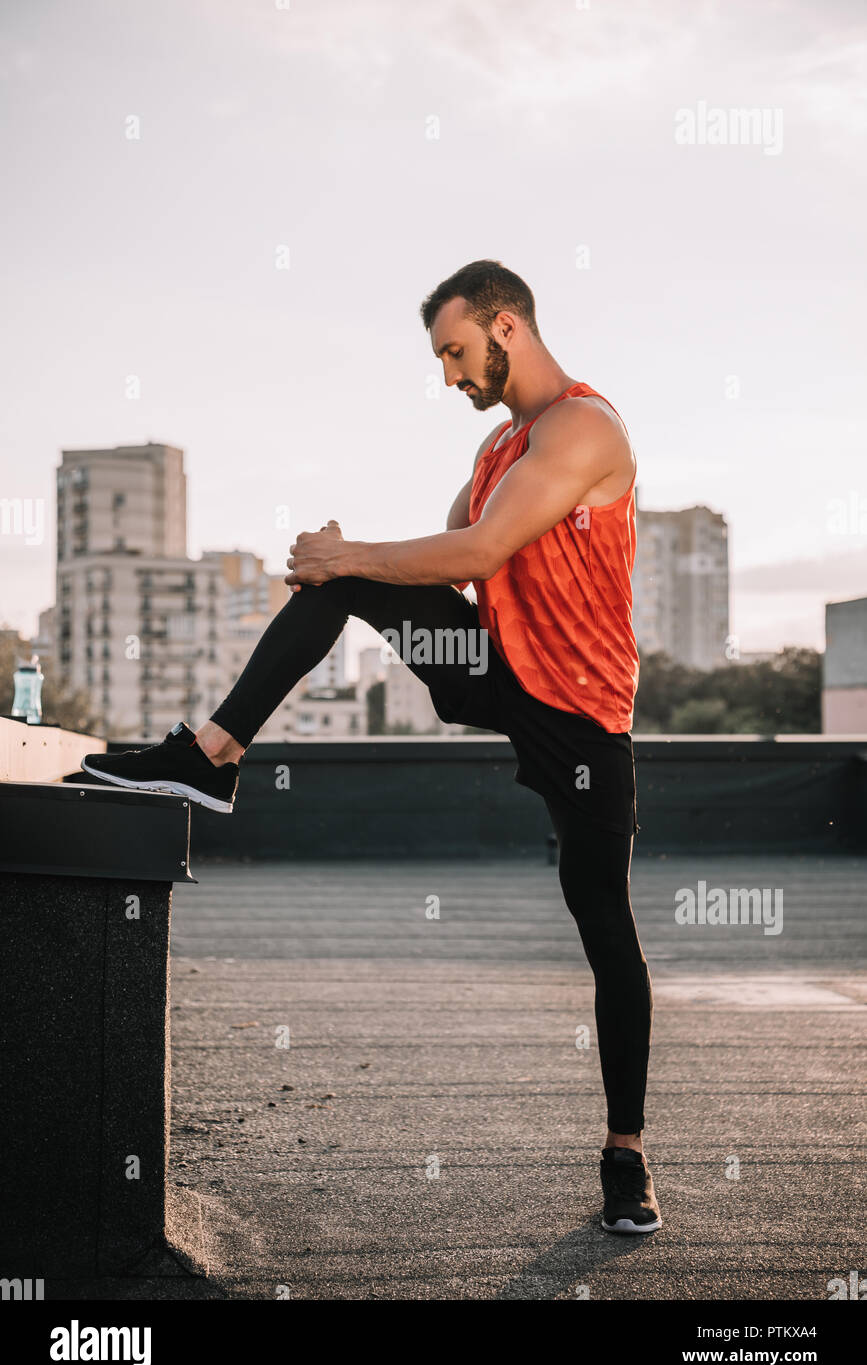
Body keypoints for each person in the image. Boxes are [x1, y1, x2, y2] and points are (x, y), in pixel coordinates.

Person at [82, 259, 661, 1235]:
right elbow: (455, 567)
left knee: (605, 925)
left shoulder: (584, 429)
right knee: (342, 586)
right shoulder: (498, 449)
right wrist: (352, 569)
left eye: (456, 350)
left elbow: (477, 554)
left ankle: (627, 1155)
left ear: (506, 326)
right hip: (500, 668)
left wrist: (352, 556)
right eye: (441, 357)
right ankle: (211, 754)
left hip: (581, 721)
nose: (449, 375)